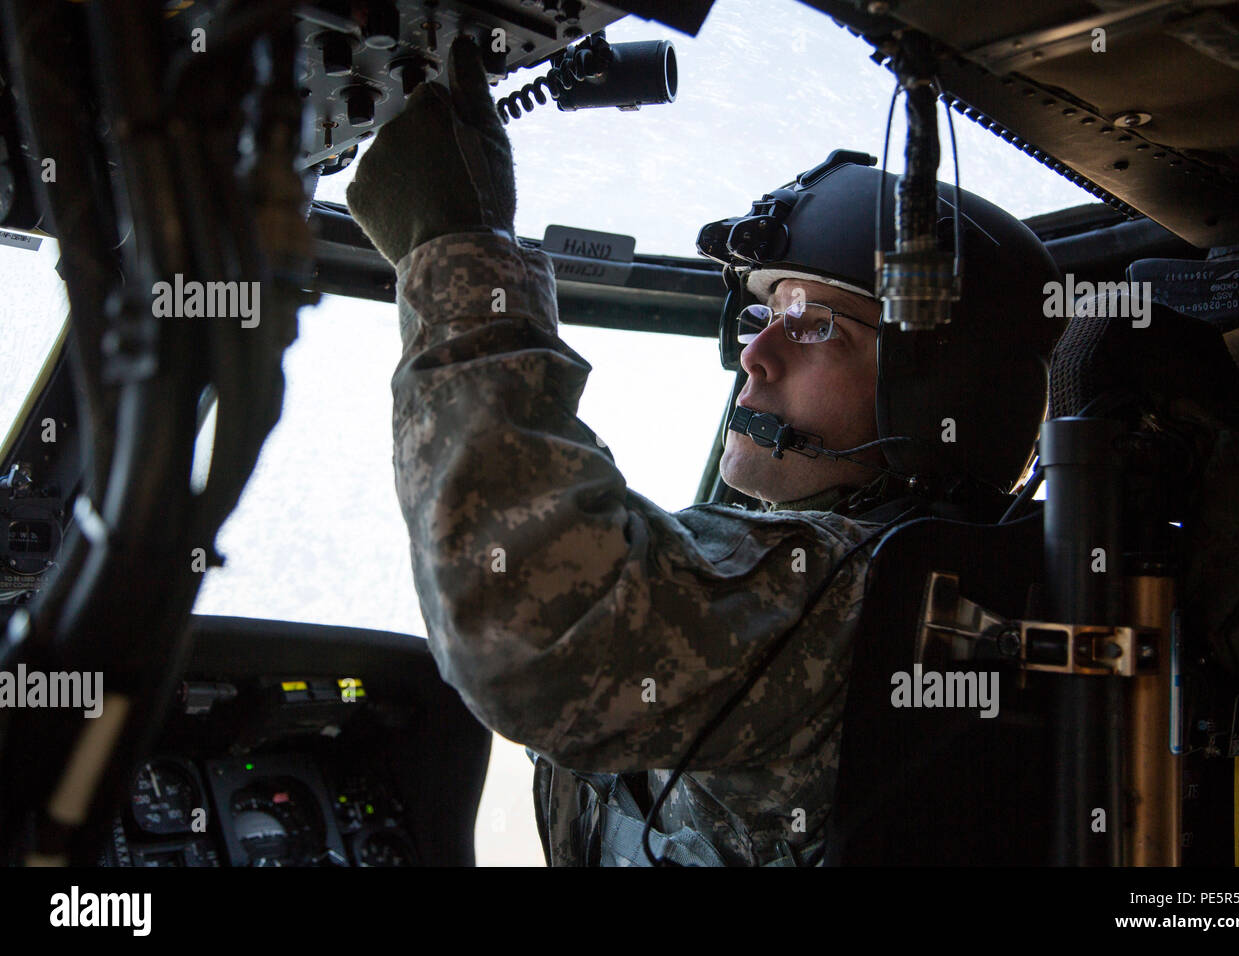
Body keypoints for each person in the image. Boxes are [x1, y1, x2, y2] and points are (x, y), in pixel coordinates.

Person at [347, 36, 1061, 865]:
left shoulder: (855, 590)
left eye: (816, 323)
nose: (756, 355)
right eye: (763, 314)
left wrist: (455, 250)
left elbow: (535, 629)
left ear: (945, 389)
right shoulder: (928, 582)